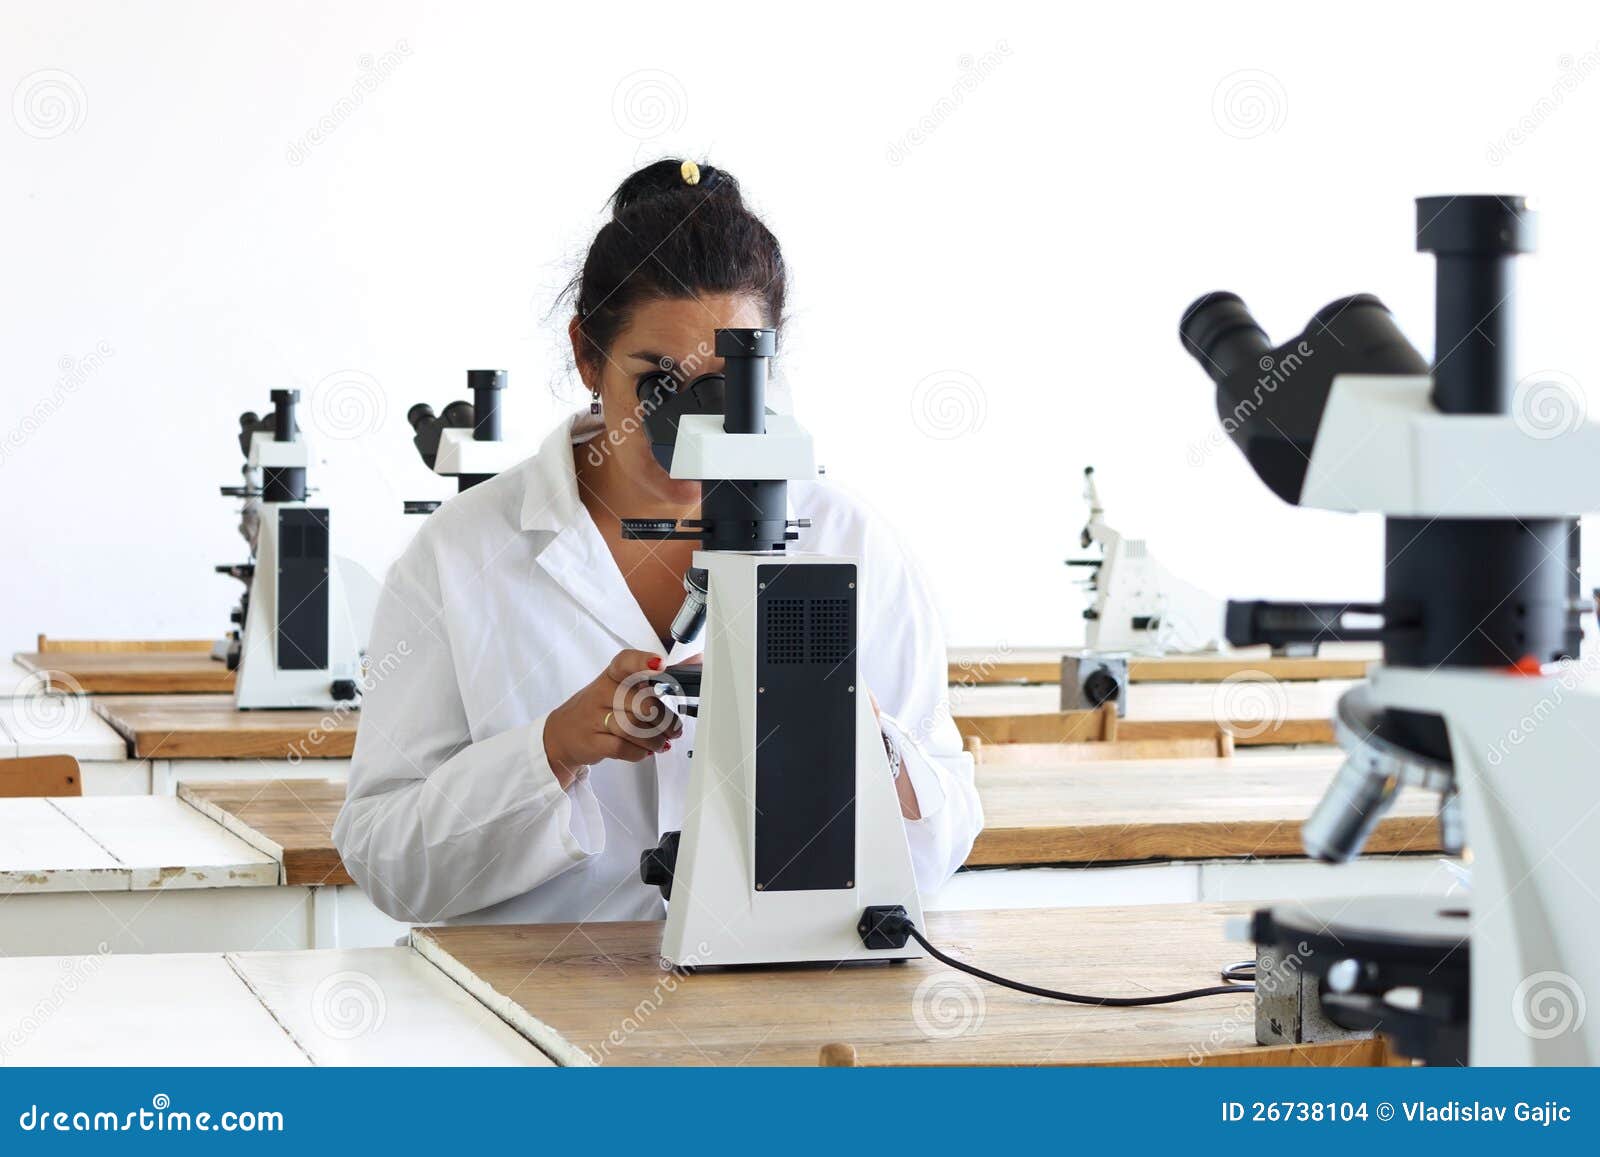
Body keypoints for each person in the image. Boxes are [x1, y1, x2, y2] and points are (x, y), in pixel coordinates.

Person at [333, 159, 982, 926]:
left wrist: (867, 741)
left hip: (787, 1009)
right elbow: (386, 863)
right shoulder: (457, 557)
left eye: (727, 384)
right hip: (531, 1016)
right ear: (586, 355)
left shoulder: (849, 540)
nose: (697, 426)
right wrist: (552, 750)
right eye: (660, 382)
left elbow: (940, 844)